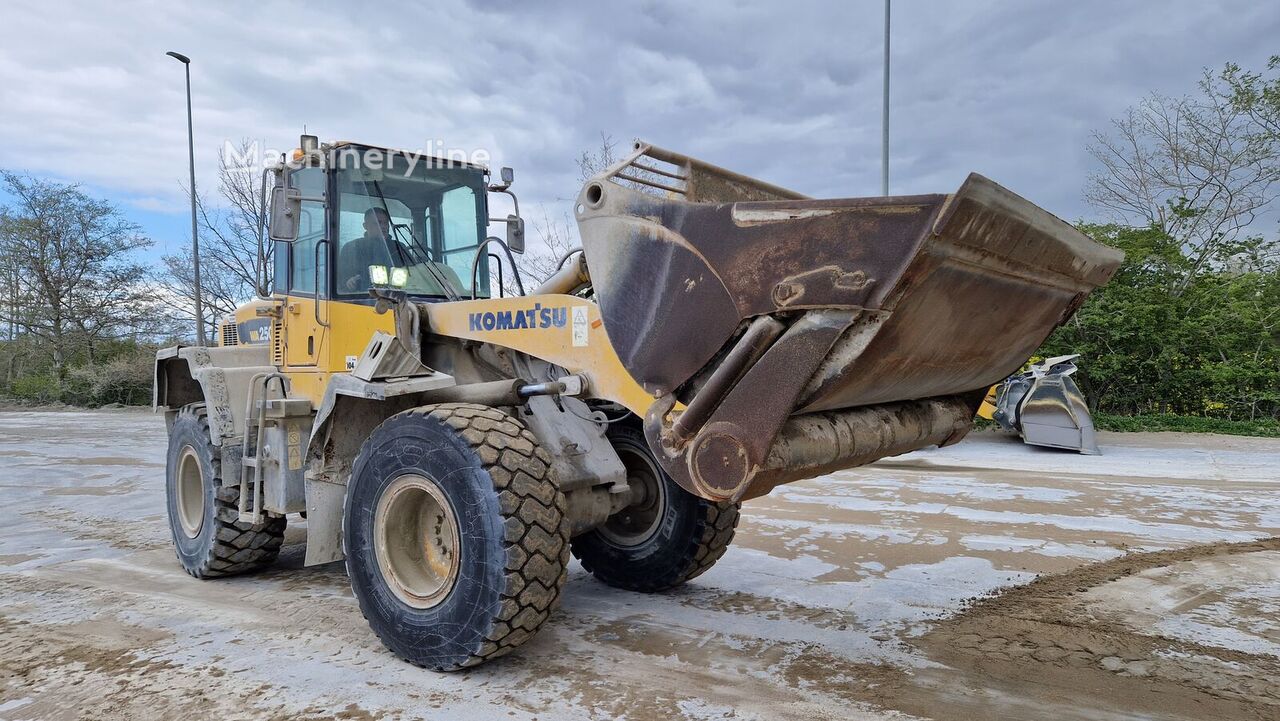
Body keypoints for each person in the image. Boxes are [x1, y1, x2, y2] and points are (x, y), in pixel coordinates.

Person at [339, 207, 398, 291]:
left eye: (386, 223)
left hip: (396, 298)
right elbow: (340, 280)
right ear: (365, 226)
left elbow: (413, 274)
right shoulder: (351, 248)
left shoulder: (399, 248)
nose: (383, 226)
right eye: (378, 223)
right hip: (360, 298)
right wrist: (348, 282)